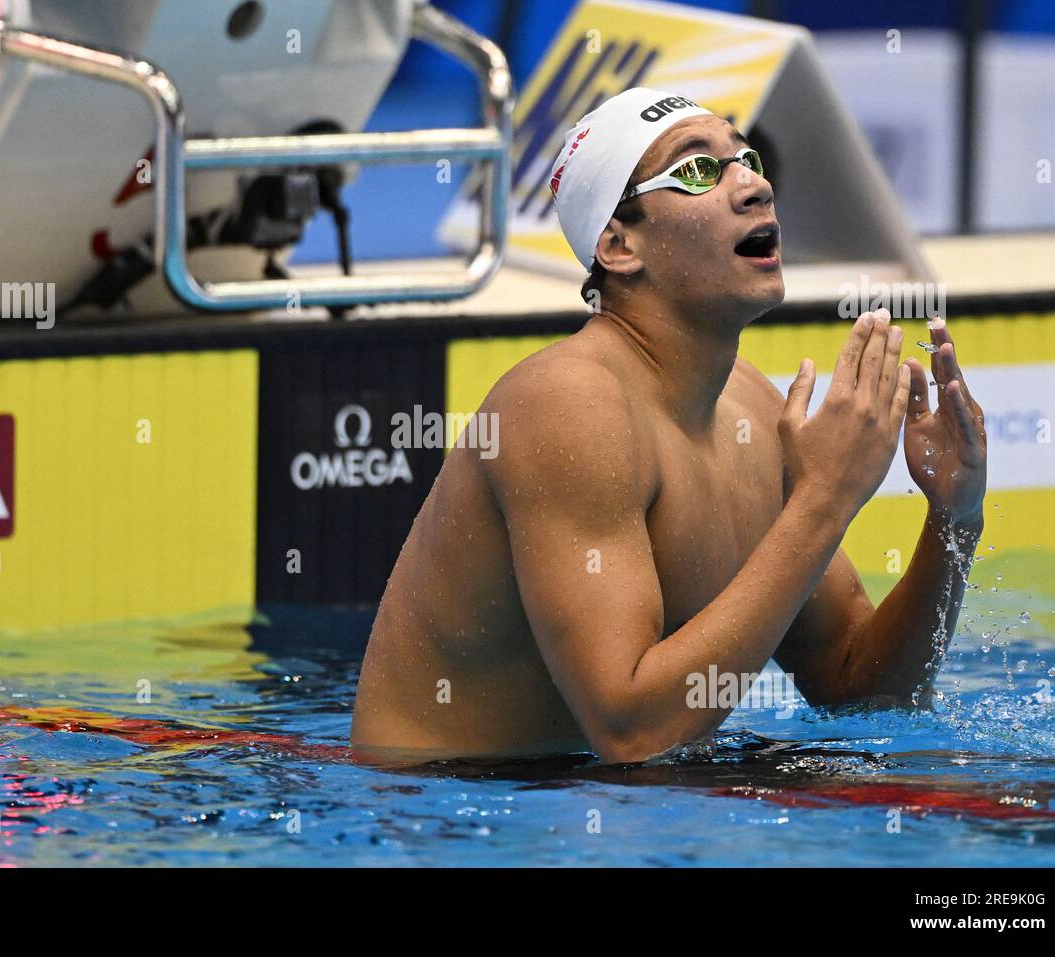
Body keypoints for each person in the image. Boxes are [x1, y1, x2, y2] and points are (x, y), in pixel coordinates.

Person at [350, 88, 987, 764]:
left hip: (594, 804)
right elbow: (630, 732)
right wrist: (824, 500)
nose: (753, 185)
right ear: (619, 245)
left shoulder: (754, 410)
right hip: (445, 816)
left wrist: (953, 518)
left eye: (747, 158)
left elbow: (860, 686)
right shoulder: (567, 404)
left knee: (981, 791)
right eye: (697, 171)